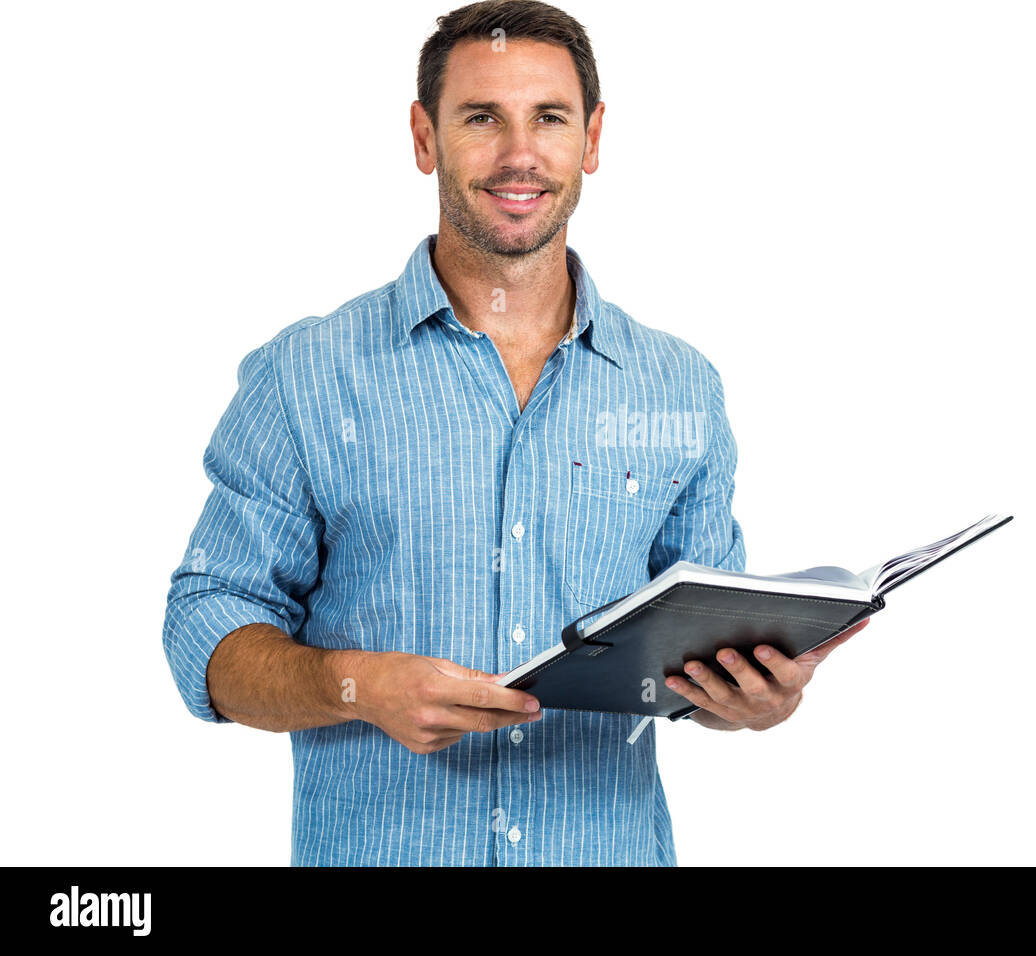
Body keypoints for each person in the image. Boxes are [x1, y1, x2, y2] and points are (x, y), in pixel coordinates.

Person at [163, 0, 865, 866]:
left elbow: (697, 660)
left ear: (594, 139)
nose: (519, 154)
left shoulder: (679, 387)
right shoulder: (305, 377)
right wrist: (355, 685)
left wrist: (756, 699)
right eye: (482, 117)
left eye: (550, 118)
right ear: (424, 137)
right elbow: (207, 628)